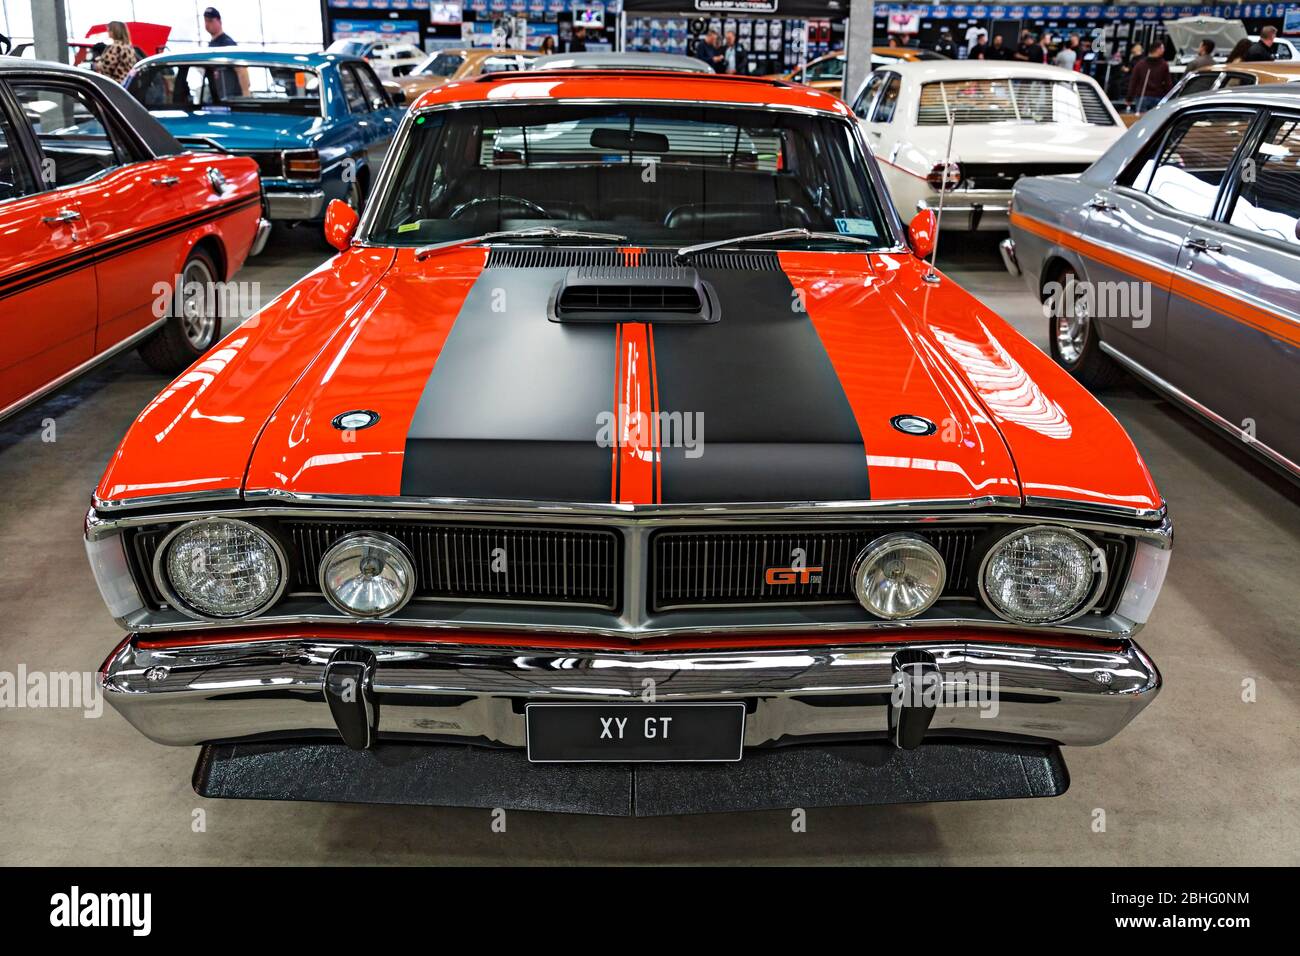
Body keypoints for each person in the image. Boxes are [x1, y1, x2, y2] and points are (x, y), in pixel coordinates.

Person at [1128, 41, 1171, 113]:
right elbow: (1168, 83)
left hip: (1142, 97)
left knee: (1142, 121)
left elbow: (1134, 81)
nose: (1164, 50)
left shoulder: (1140, 64)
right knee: (1156, 121)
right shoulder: (1164, 65)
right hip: (1158, 97)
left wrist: (1129, 98)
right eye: (1162, 48)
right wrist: (1169, 97)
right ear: (1158, 49)